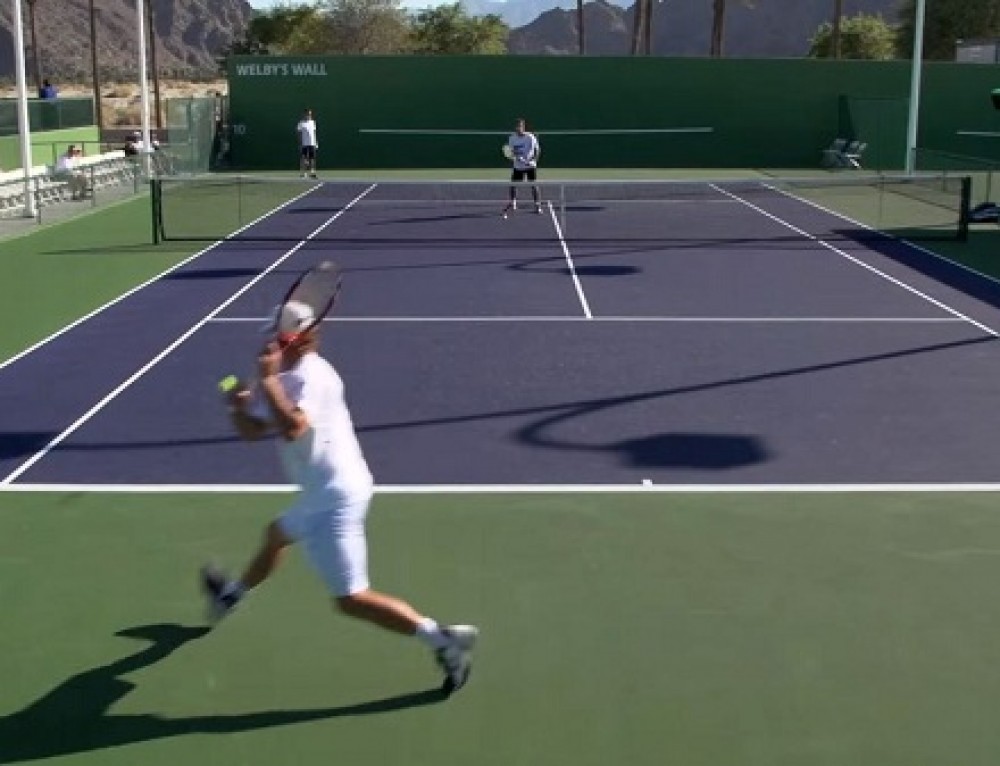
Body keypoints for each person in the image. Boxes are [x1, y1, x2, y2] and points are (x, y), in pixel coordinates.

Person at [201, 301, 479, 695]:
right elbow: (251, 432)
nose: (270, 341)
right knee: (277, 534)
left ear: (294, 337)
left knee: (351, 599)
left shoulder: (314, 378)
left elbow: (295, 427)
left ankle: (442, 642)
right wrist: (237, 407)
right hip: (320, 492)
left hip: (336, 499)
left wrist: (267, 382)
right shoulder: (279, 374)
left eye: (278, 335)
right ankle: (233, 594)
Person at [502, 118, 542, 218]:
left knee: (534, 185)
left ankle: (537, 205)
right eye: (517, 126)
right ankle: (513, 203)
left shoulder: (530, 137)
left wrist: (533, 161)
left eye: (520, 126)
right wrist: (516, 157)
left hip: (530, 166)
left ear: (523, 127)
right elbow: (511, 152)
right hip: (518, 166)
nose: (518, 128)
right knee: (513, 185)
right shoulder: (512, 138)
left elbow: (537, 150)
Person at [296, 109, 319, 178]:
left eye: (310, 114)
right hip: (304, 144)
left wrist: (316, 142)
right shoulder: (301, 123)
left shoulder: (313, 122)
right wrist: (300, 143)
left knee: (312, 158)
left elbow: (314, 133)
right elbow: (299, 134)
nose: (309, 115)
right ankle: (303, 173)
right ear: (305, 114)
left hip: (312, 143)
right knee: (304, 159)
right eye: (308, 114)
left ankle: (312, 173)